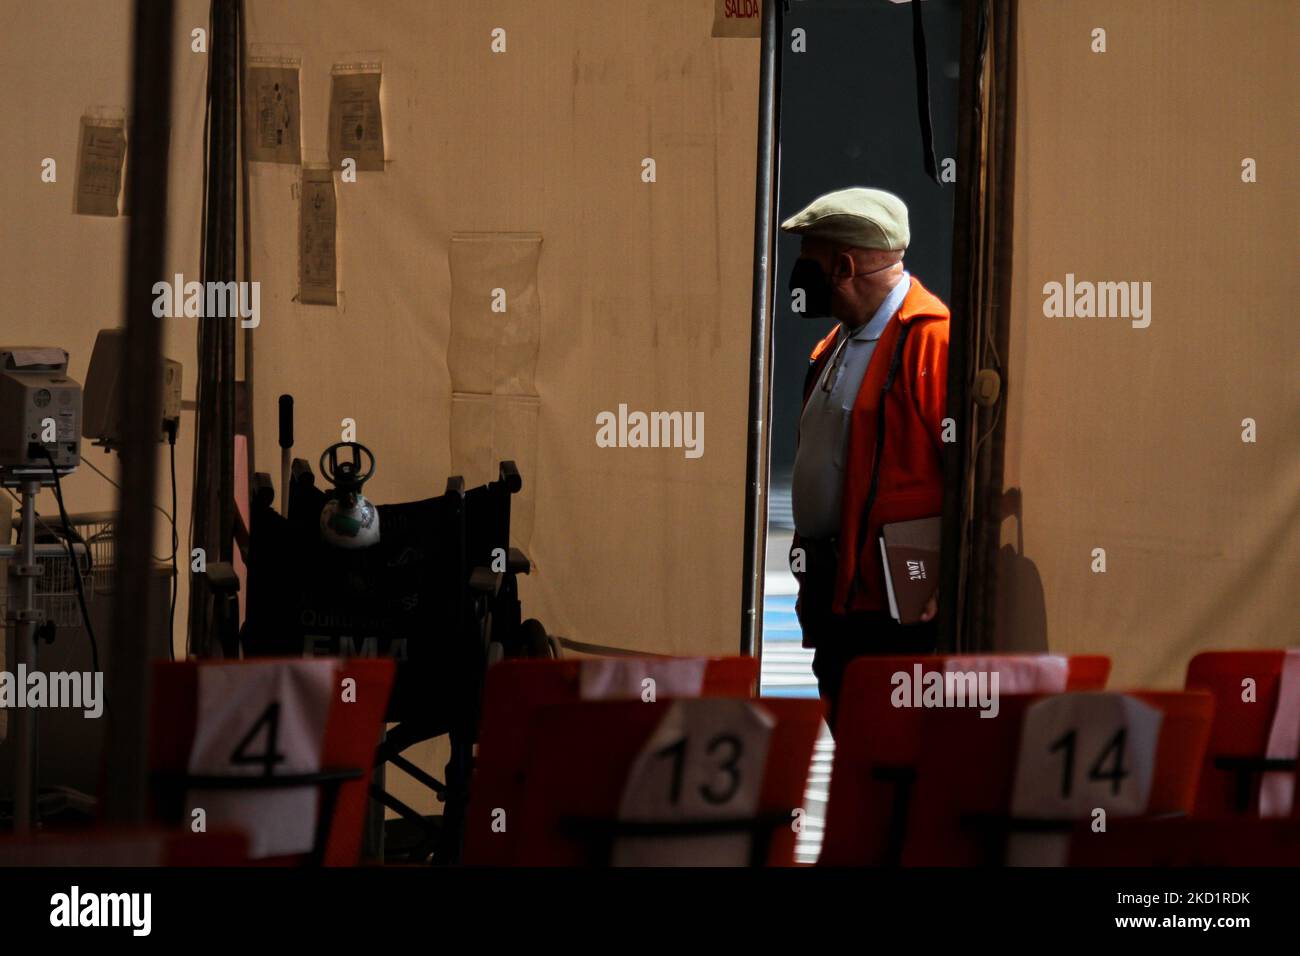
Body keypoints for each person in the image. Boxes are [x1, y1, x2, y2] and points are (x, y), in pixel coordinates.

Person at [781, 187, 950, 730]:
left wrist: (945, 575)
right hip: (838, 597)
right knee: (856, 746)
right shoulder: (835, 344)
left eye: (810, 256)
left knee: (890, 755)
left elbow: (972, 473)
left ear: (844, 265)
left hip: (895, 609)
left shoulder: (933, 343)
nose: (799, 272)